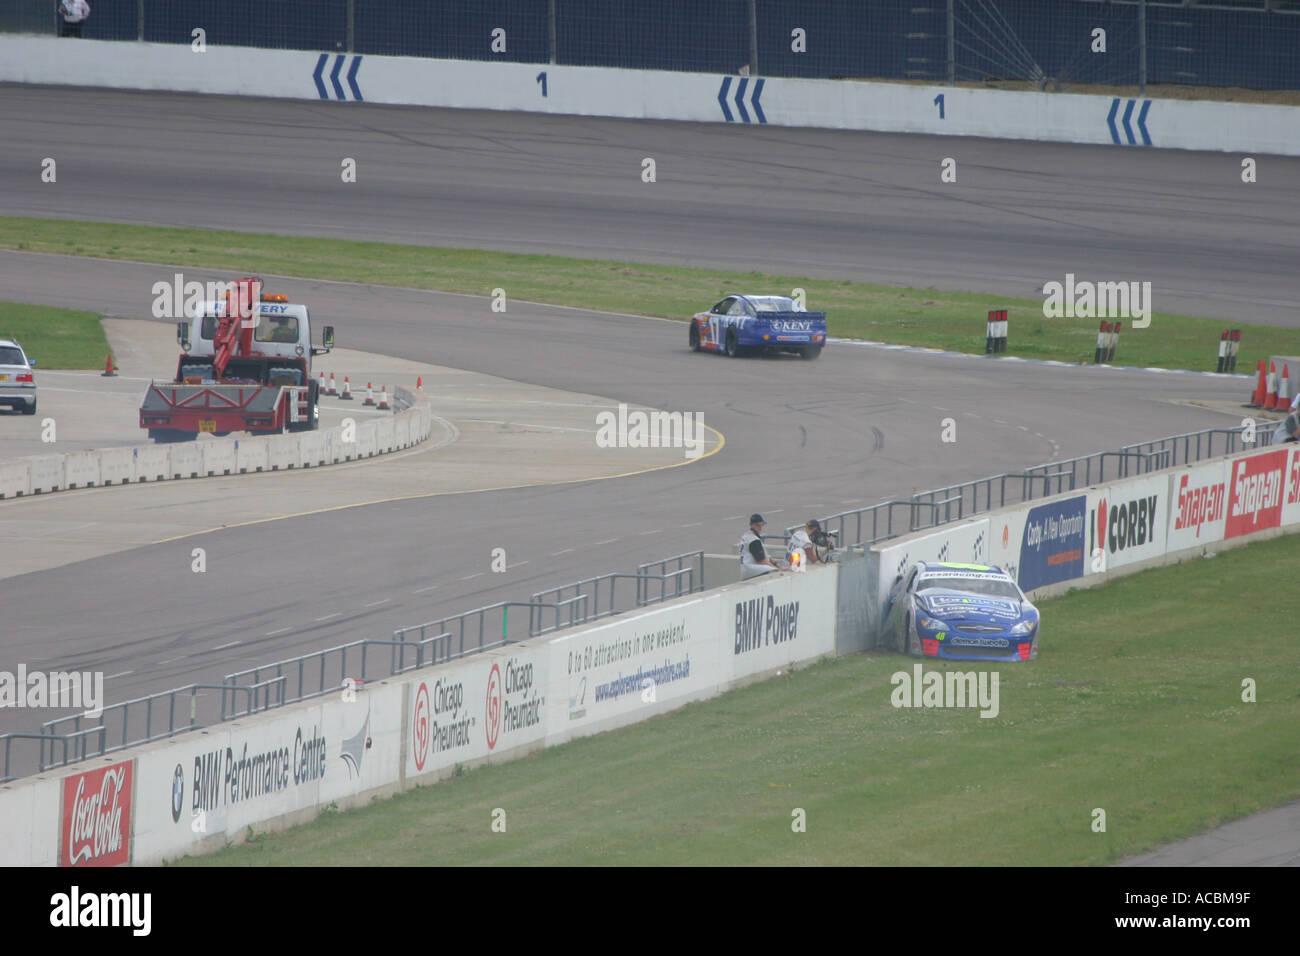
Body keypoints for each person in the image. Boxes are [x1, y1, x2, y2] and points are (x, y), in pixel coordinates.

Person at [739, 513, 782, 580]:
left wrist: (776, 564)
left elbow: (765, 556)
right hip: (753, 574)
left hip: (746, 571)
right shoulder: (754, 540)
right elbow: (762, 561)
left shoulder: (746, 536)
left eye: (761, 525)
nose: (760, 528)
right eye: (758, 525)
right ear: (752, 525)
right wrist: (777, 569)